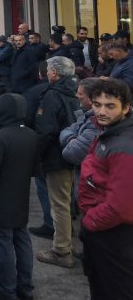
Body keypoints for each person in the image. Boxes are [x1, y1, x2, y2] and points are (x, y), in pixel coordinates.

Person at [0, 94, 40, 300]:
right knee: (22, 242)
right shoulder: (31, 135)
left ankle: (6, 290)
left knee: (3, 246)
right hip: (19, 198)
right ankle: (25, 286)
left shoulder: (0, 137)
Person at [78, 78, 133, 299]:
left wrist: (90, 221)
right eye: (97, 104)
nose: (101, 111)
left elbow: (121, 206)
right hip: (104, 231)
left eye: (110, 106)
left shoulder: (124, 145)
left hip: (113, 236)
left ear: (126, 107)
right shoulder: (108, 133)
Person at [35, 56, 78, 268]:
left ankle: (61, 250)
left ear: (54, 73)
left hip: (57, 155)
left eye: (50, 69)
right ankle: (70, 242)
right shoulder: (76, 90)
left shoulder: (52, 95)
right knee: (70, 201)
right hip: (75, 154)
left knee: (59, 203)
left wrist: (36, 154)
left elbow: (46, 129)